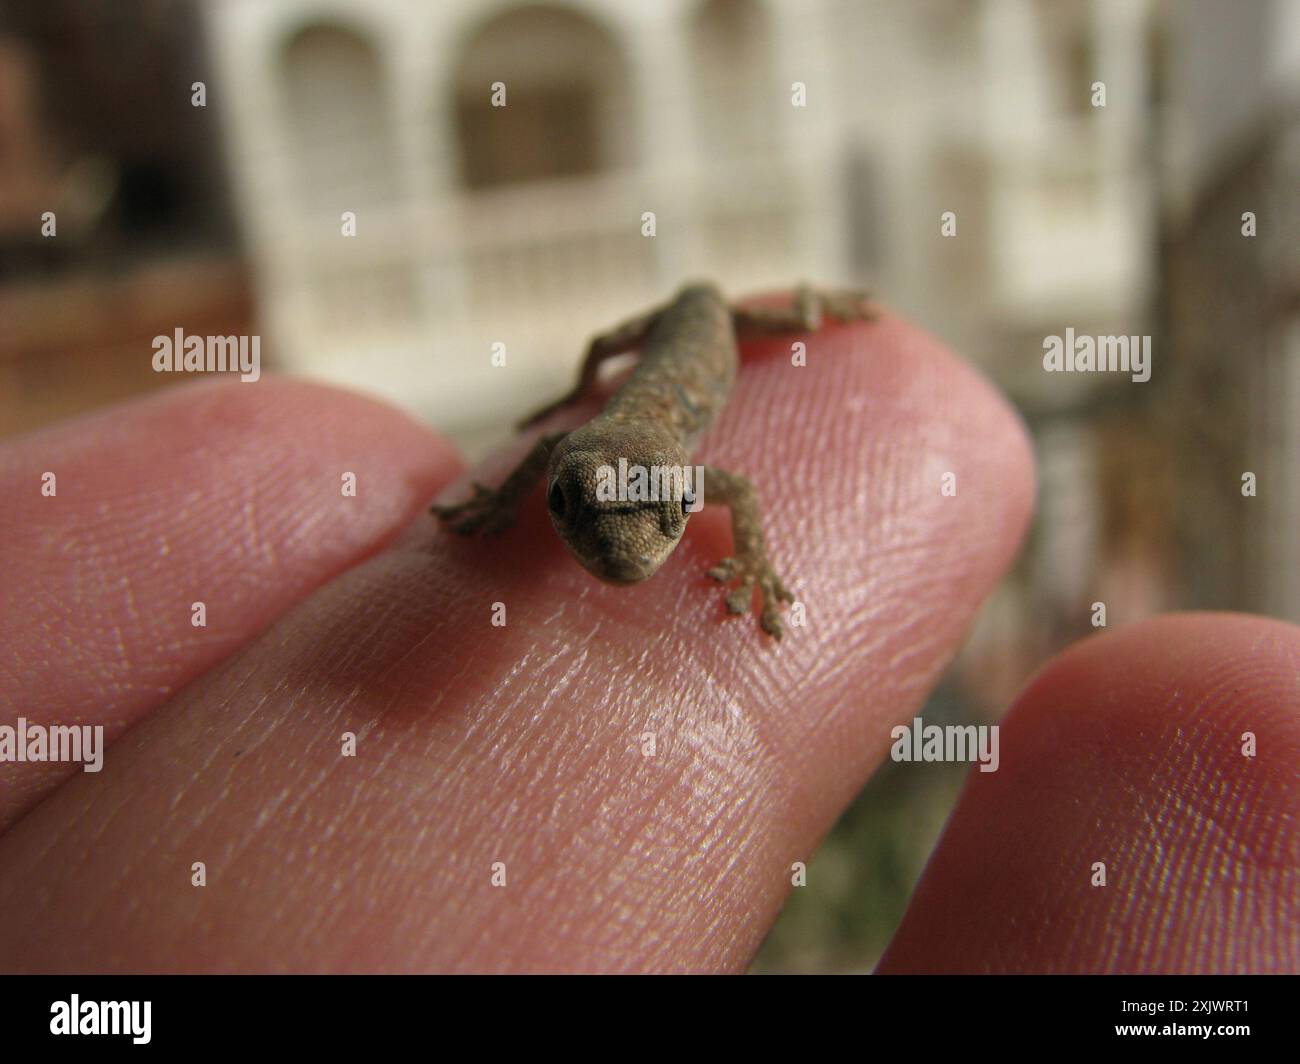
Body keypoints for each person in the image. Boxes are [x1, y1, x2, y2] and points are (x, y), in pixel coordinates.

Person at [0, 312, 1294, 972]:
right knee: (633, 344)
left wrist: (767, 571)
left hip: (708, 320)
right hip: (643, 355)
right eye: (582, 518)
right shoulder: (582, 464)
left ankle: (804, 307)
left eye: (642, 523)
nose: (625, 558)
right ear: (573, 484)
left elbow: (735, 499)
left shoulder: (691, 473)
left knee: (710, 316)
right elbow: (583, 457)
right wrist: (510, 494)